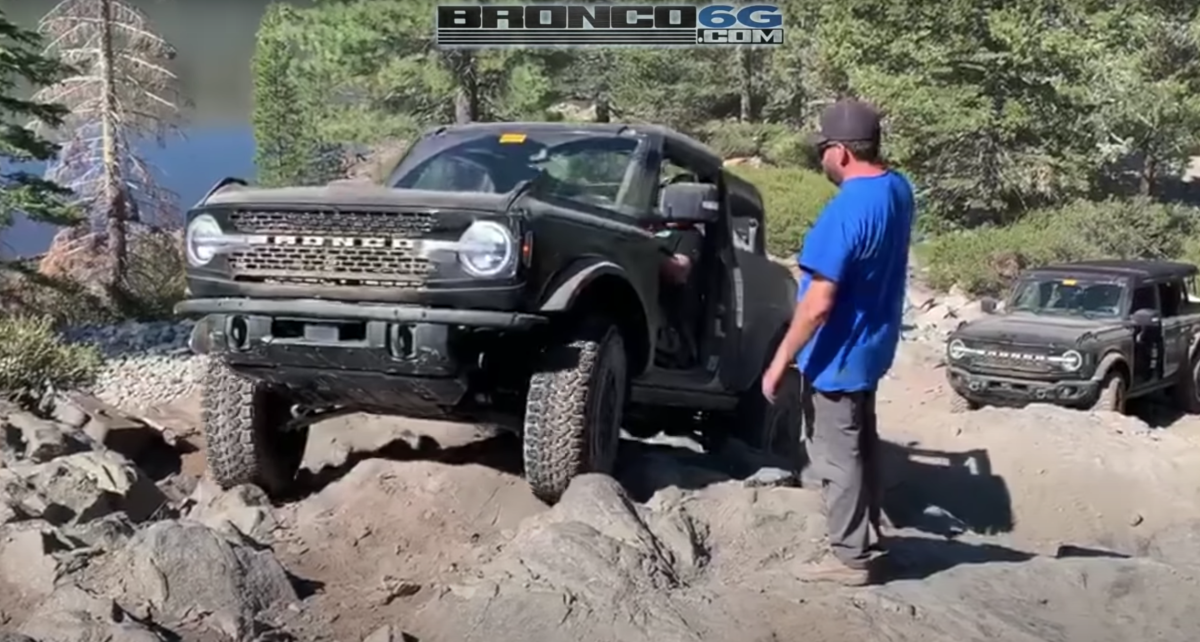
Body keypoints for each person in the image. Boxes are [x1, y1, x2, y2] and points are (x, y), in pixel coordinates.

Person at [761, 99, 914, 586]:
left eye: (823, 150)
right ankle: (867, 534)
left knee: (835, 454)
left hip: (838, 354)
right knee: (862, 443)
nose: (820, 158)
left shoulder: (845, 212)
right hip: (872, 346)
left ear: (842, 153)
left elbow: (819, 303)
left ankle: (849, 558)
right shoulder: (898, 189)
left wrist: (781, 360)